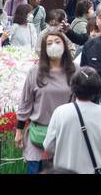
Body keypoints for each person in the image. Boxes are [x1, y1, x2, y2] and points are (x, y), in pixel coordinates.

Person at [16, 29, 77, 173]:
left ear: (65, 45)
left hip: (65, 135)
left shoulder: (75, 71)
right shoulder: (35, 72)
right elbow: (25, 102)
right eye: (49, 43)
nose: (53, 46)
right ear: (44, 48)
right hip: (38, 135)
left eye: (57, 42)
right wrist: (19, 130)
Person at [43, 66, 101, 174]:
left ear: (73, 87)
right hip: (94, 170)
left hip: (64, 170)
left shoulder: (60, 111)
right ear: (97, 89)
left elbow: (48, 146)